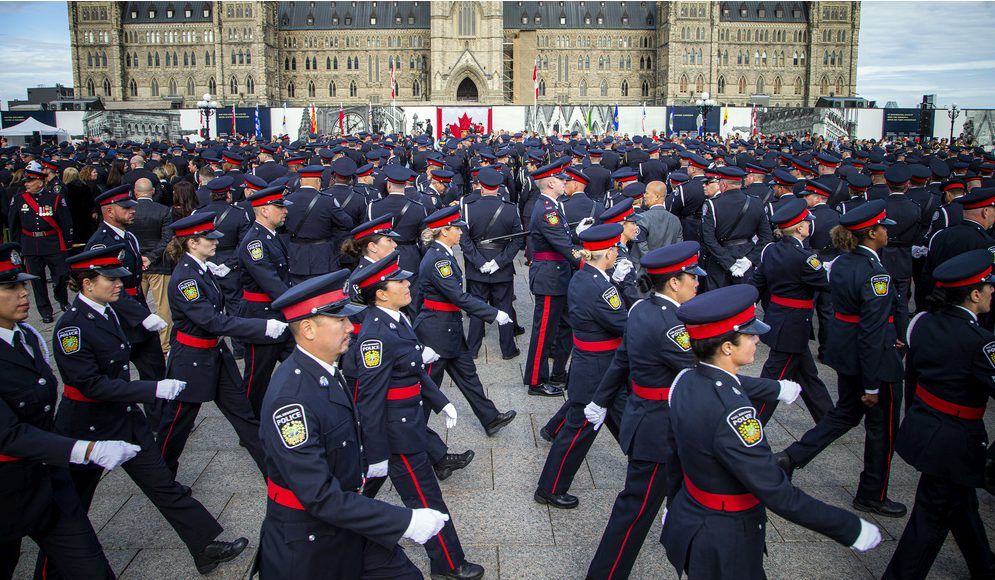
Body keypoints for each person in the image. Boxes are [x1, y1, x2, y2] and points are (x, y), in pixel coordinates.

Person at [45, 245, 249, 575]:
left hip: (123, 417)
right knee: (72, 504)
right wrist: (151, 389)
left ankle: (203, 546)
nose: (118, 285)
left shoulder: (108, 311)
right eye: (109, 279)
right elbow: (91, 385)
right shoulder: (73, 328)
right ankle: (53, 567)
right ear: (86, 284)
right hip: (86, 426)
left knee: (162, 483)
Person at [661, 284, 882, 578]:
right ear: (728, 347)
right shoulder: (733, 412)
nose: (756, 340)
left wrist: (674, 505)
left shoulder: (686, 380)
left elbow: (675, 455)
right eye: (750, 335)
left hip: (693, 519)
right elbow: (776, 491)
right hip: (726, 534)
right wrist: (848, 527)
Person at [257, 269, 448, 579]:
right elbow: (318, 495)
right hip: (311, 541)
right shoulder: (290, 402)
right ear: (308, 329)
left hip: (346, 518)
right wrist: (404, 521)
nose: (350, 327)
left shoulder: (324, 369)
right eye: (340, 320)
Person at [0, 243, 137, 580]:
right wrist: (87, 449)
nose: (23, 293)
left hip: (47, 481)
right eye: (10, 287)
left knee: (91, 568)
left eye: (22, 284)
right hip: (5, 491)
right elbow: (9, 434)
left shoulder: (26, 337)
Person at [349, 252, 485, 580]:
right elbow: (369, 400)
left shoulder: (395, 317)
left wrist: (440, 401)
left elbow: (412, 369)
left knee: (359, 497)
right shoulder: (376, 336)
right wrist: (378, 452)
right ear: (381, 293)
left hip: (408, 421)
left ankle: (337, 535)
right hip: (398, 432)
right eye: (399, 281)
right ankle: (450, 564)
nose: (408, 284)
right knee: (426, 497)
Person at [776, 200, 907, 518]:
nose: (887, 233)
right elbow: (873, 331)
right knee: (883, 429)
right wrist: (873, 384)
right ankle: (872, 493)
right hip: (875, 360)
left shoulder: (843, 262)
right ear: (872, 233)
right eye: (883, 228)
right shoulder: (875, 274)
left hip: (848, 353)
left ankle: (790, 458)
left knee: (844, 415)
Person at [584, 242, 705, 580]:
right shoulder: (672, 325)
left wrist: (601, 399)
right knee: (634, 512)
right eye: (691, 278)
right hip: (659, 430)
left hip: (652, 419)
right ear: (674, 283)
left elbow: (622, 360)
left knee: (687, 504)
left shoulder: (640, 308)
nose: (696, 284)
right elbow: (703, 373)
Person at [883, 250, 995, 579]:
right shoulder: (980, 342)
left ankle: (984, 565)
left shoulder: (923, 323)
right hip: (955, 440)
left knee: (961, 504)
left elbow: (914, 377)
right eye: (988, 286)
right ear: (974, 294)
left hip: (926, 426)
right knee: (929, 522)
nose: (992, 291)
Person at [155, 213, 287, 477]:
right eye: (209, 239)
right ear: (192, 243)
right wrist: (261, 327)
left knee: (244, 417)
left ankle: (274, 473)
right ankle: (161, 477)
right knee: (177, 423)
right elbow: (212, 321)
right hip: (191, 360)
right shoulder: (186, 279)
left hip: (215, 354)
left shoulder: (200, 269)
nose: (215, 243)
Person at [535, 224, 628, 510]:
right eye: (615, 251)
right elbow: (621, 322)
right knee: (578, 429)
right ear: (609, 253)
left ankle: (656, 466)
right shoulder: (599, 285)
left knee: (628, 422)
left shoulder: (586, 276)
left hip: (600, 365)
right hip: (597, 369)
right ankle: (549, 489)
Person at [415, 206, 518, 436]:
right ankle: (413, 432)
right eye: (457, 229)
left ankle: (490, 418)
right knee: (428, 387)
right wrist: (494, 314)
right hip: (437, 332)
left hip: (448, 327)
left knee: (468, 376)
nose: (461, 232)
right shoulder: (437, 260)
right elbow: (458, 297)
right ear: (444, 231)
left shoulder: (442, 254)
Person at [750, 199, 834, 424]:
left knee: (808, 377)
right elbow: (827, 284)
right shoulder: (805, 259)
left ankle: (828, 420)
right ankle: (751, 423)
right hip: (793, 326)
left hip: (779, 318)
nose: (809, 225)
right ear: (799, 227)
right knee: (773, 380)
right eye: (807, 222)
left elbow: (757, 283)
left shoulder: (771, 251)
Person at [523, 159, 582, 397]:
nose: (565, 182)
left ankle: (558, 371)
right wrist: (590, 263)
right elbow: (563, 245)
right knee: (544, 330)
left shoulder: (553, 205)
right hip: (550, 276)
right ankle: (536, 380)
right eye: (561, 179)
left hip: (558, 274)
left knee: (564, 325)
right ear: (550, 183)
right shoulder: (548, 210)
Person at [237, 185, 294, 418]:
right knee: (257, 374)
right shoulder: (255, 243)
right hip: (261, 316)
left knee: (297, 361)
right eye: (279, 207)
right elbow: (270, 281)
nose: (285, 211)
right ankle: (249, 420)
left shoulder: (271, 236)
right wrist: (296, 304)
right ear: (263, 210)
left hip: (277, 311)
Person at [461, 167, 525, 360]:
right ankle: (508, 349)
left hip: (477, 265)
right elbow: (518, 240)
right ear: (499, 186)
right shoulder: (510, 208)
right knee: (504, 307)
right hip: (502, 267)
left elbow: (464, 240)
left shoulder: (468, 208)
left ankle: (472, 349)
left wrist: (480, 262)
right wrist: (499, 262)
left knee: (477, 308)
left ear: (480, 185)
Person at [8, 161, 72, 323]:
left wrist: (68, 242)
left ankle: (61, 297)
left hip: (53, 243)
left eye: (29, 181)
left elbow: (65, 222)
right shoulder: (18, 199)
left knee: (62, 275)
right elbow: (13, 224)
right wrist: (17, 247)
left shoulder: (54, 198)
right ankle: (45, 310)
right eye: (26, 182)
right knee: (37, 280)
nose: (26, 184)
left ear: (40, 182)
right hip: (31, 244)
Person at [700, 165, 773, 289]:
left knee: (717, 302)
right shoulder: (756, 203)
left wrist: (728, 262)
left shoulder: (713, 204)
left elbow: (708, 238)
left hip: (719, 260)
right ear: (741, 183)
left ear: (723, 185)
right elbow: (766, 237)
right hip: (745, 257)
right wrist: (750, 259)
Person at [282, 165, 355, 283]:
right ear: (318, 181)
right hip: (322, 256)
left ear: (301, 181)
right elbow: (347, 223)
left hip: (296, 255)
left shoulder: (287, 200)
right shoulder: (327, 200)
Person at [132, 177, 174, 355]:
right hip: (159, 264)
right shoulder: (163, 211)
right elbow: (166, 239)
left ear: (135, 192)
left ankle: (140, 343)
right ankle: (165, 345)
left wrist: (140, 258)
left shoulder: (129, 210)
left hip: (136, 263)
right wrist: (151, 257)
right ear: (153, 191)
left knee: (135, 306)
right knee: (163, 306)